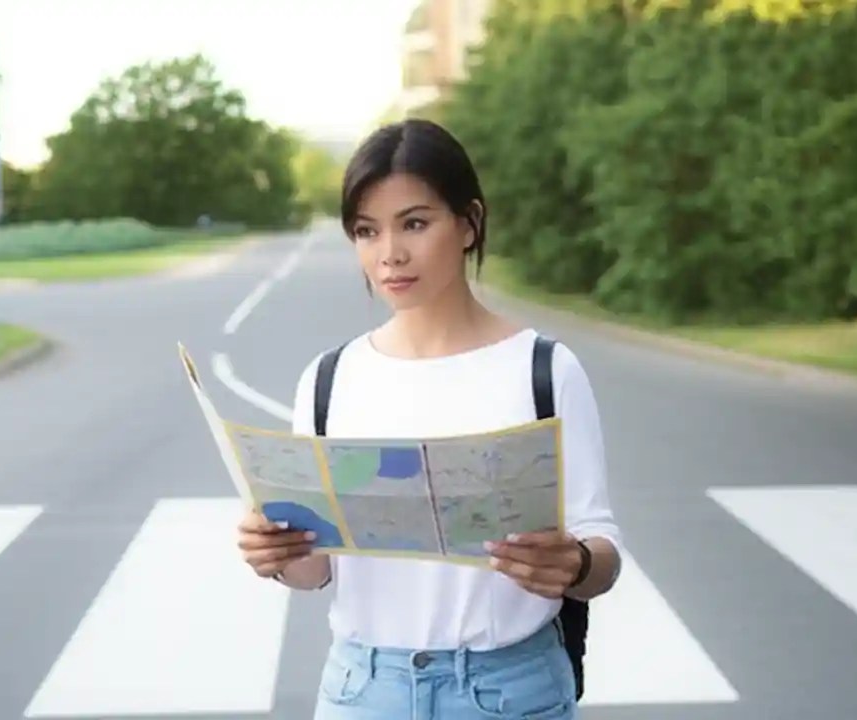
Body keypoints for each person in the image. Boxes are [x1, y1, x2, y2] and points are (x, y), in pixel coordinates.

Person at [236, 118, 624, 719]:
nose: (389, 253)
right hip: (362, 690)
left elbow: (601, 550)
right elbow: (316, 572)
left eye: (414, 223)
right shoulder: (329, 379)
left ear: (469, 223)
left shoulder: (542, 369)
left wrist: (572, 562)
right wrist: (278, 556)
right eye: (367, 231)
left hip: (509, 689)